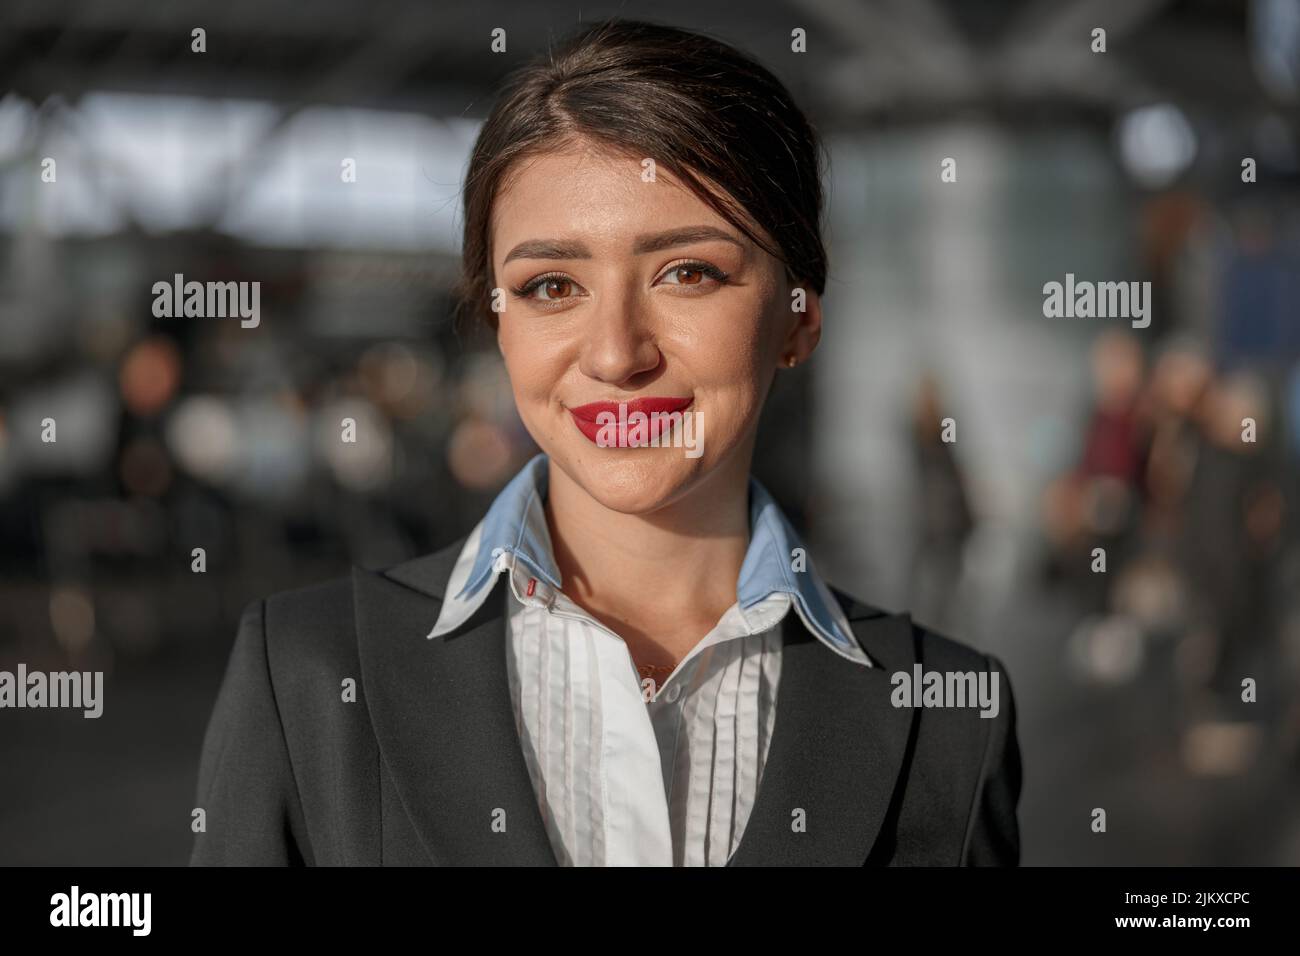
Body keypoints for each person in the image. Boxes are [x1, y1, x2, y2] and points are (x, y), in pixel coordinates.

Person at [190, 18, 1021, 867]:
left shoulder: (948, 716)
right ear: (498, 322)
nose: (617, 353)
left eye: (688, 273)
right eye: (552, 285)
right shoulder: (305, 674)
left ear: (798, 316)